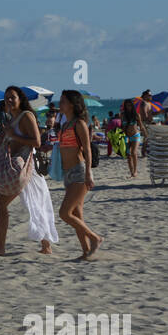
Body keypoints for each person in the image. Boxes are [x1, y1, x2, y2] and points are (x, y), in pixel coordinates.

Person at [0, 87, 55, 255]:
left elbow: (36, 141)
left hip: (25, 169)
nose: (9, 100)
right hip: (17, 168)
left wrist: (13, 136)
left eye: (12, 97)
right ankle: (46, 246)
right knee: (36, 203)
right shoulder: (11, 120)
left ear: (20, 99)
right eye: (6, 98)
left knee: (3, 203)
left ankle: (1, 247)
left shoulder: (26, 116)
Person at [56, 90, 103, 261]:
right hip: (68, 174)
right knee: (76, 215)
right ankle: (86, 252)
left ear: (72, 104)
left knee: (64, 213)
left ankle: (95, 238)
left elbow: (87, 149)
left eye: (63, 101)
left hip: (79, 172)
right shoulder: (64, 125)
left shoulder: (79, 124)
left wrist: (89, 172)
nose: (59, 104)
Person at [121, 99, 142, 178]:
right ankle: (132, 172)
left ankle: (135, 170)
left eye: (130, 105)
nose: (128, 107)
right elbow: (122, 127)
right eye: (127, 105)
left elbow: (141, 125)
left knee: (133, 152)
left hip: (135, 135)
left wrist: (146, 134)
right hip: (126, 136)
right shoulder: (123, 115)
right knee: (128, 155)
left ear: (132, 106)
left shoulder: (136, 115)